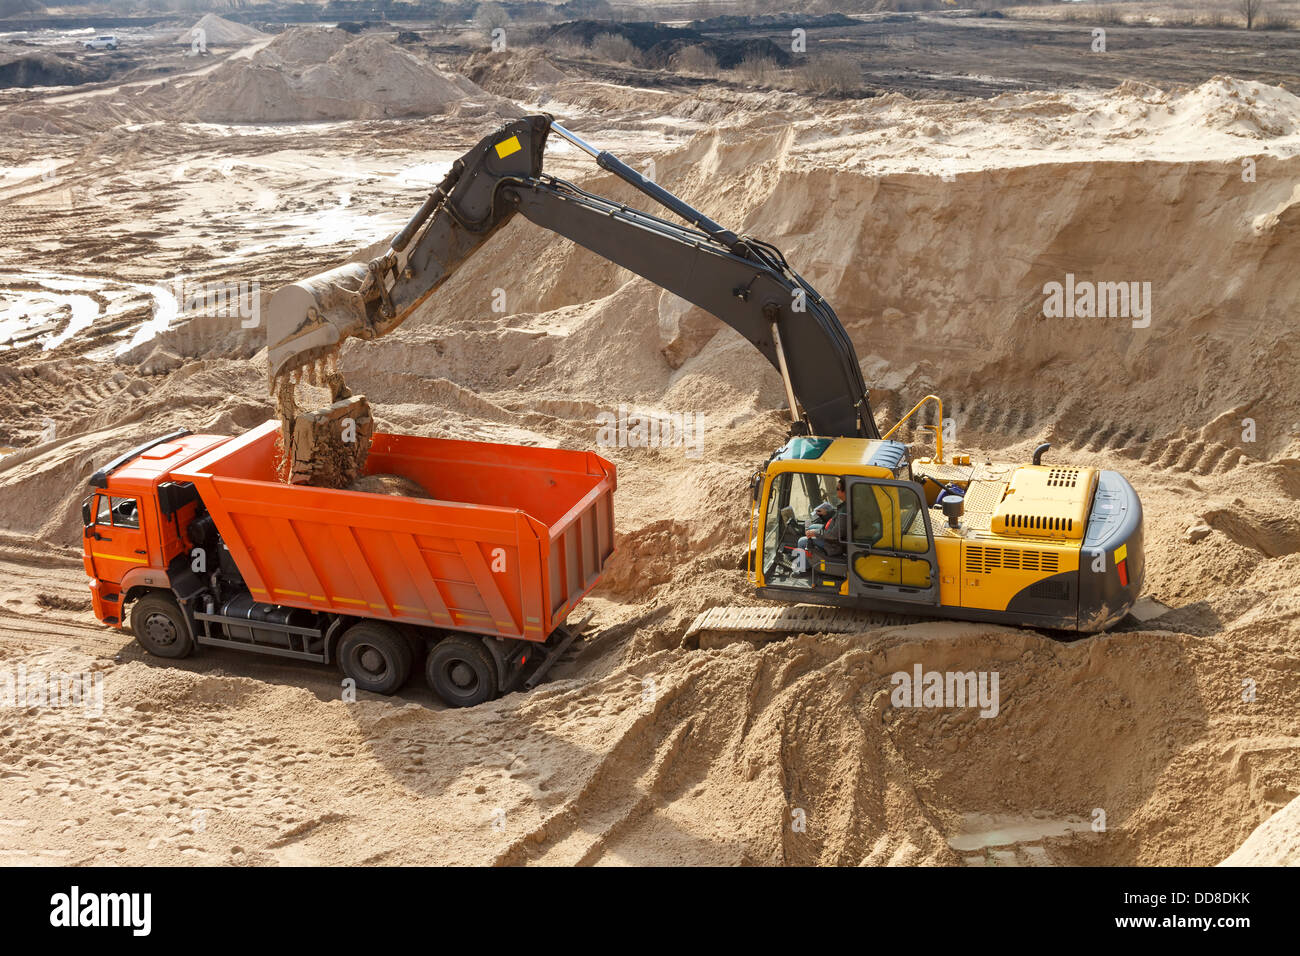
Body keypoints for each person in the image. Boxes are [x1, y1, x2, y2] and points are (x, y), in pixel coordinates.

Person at [798, 478, 847, 560]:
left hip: (834, 545)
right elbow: (837, 520)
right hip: (830, 535)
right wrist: (827, 513)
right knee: (811, 528)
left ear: (845, 492)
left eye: (837, 489)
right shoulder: (845, 505)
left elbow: (834, 535)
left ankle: (804, 568)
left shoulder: (845, 511)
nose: (836, 491)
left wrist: (816, 533)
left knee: (801, 542)